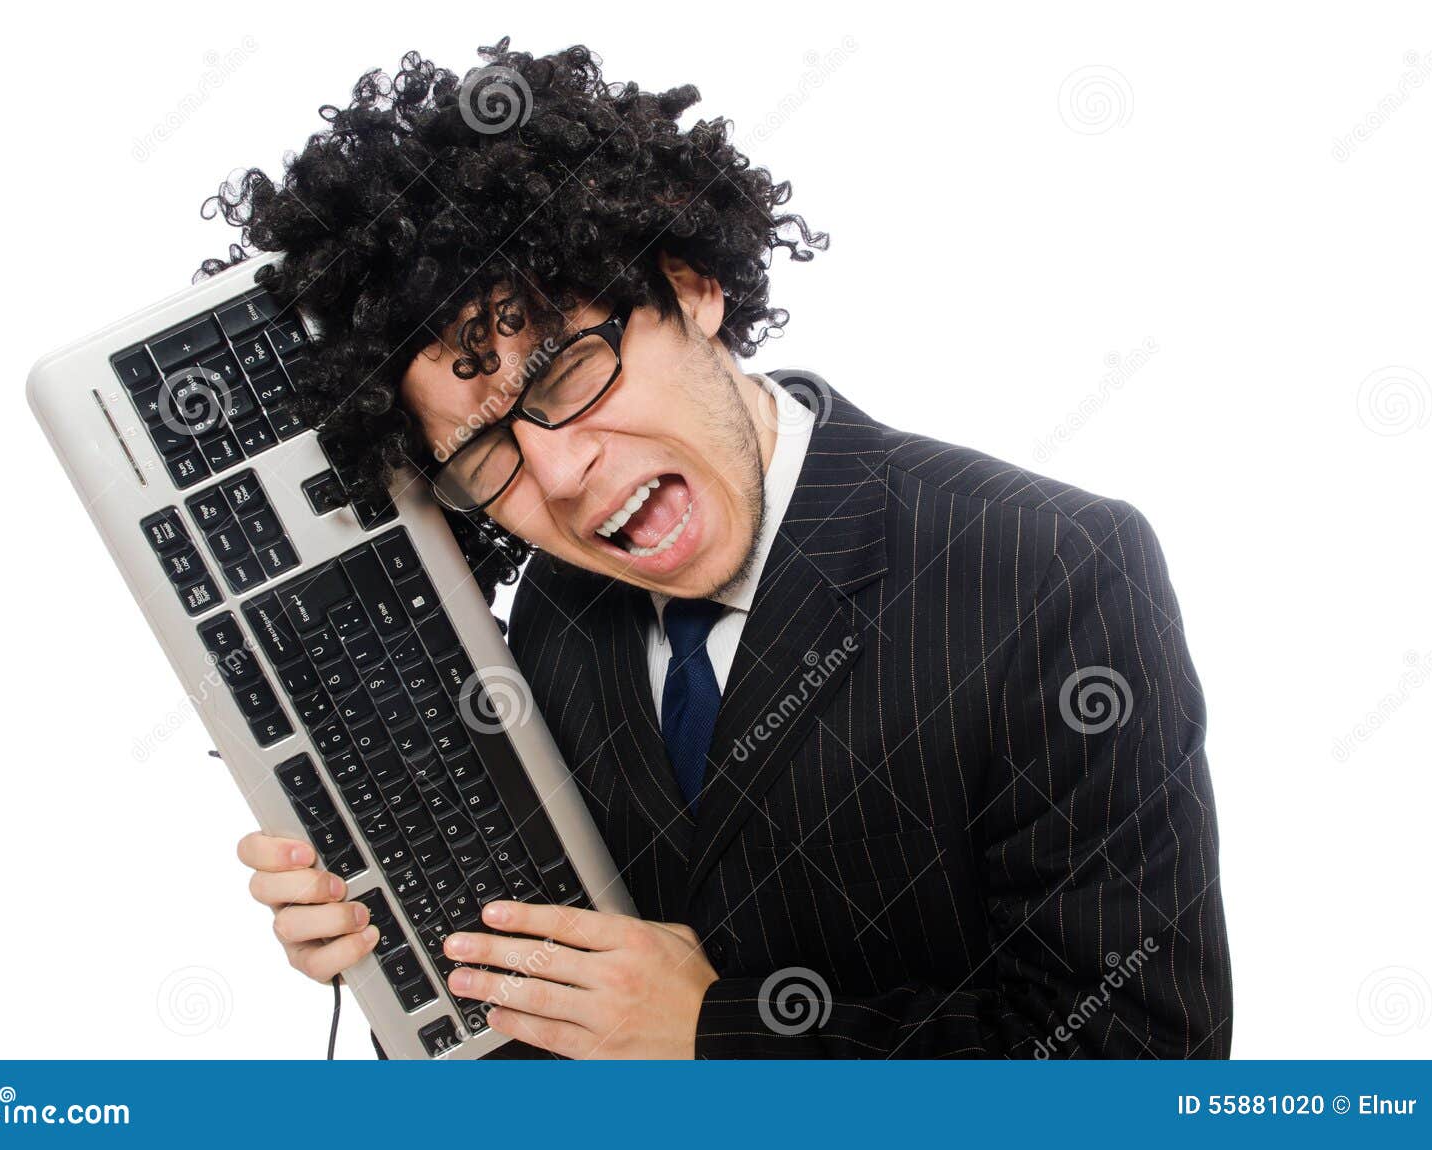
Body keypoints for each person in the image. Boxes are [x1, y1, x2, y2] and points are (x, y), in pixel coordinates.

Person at [214, 38, 1231, 1058]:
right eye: (485, 452)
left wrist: (715, 1031)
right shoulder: (557, 617)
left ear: (691, 284)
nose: (557, 473)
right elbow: (574, 1014)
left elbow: (1138, 1061)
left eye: (565, 374)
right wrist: (406, 943)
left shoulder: (1051, 571)